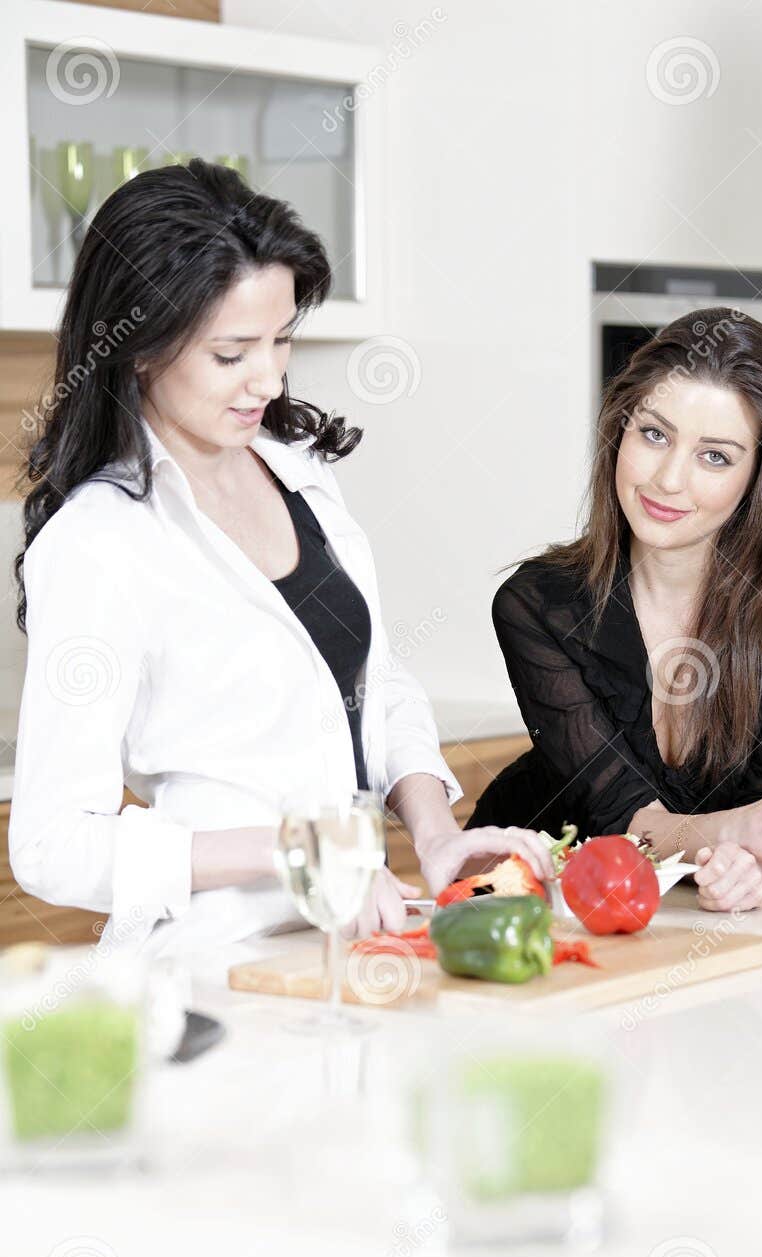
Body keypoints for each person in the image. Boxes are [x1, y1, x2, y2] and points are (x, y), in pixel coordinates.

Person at [9, 160, 553, 961]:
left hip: (356, 936)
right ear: (141, 349)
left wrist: (435, 834)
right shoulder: (100, 543)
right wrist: (296, 850)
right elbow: (52, 845)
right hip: (215, 963)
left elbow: (373, 680)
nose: (268, 378)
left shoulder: (297, 470)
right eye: (232, 354)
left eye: (282, 338)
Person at [467, 307, 762, 912]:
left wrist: (757, 865)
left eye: (715, 456)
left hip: (680, 913)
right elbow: (625, 823)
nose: (667, 480)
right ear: (619, 430)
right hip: (540, 897)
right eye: (654, 434)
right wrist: (747, 836)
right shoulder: (537, 605)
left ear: (759, 475)